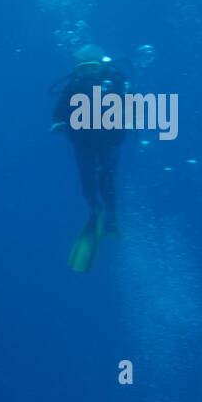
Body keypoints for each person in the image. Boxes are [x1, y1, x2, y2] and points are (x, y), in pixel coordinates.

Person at [49, 44, 129, 270]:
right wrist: (58, 122)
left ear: (100, 66)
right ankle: (94, 207)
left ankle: (111, 213)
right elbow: (60, 108)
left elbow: (130, 104)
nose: (88, 73)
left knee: (107, 178)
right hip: (83, 141)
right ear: (78, 70)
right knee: (87, 178)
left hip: (109, 141)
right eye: (83, 69)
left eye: (92, 67)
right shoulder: (74, 85)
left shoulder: (114, 82)